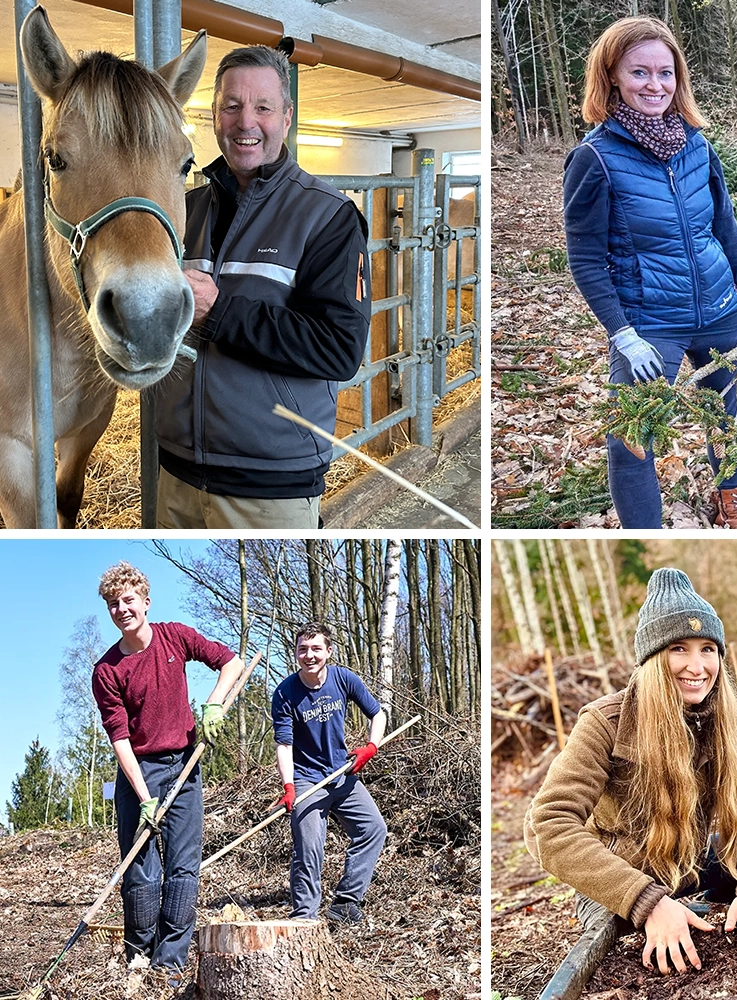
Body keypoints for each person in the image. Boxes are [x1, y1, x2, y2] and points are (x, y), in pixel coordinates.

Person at [526, 568, 737, 973]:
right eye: (679, 648)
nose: (697, 666)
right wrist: (647, 901)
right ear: (652, 658)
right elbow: (548, 823)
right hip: (624, 876)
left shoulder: (727, 718)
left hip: (688, 862)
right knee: (627, 954)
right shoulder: (605, 722)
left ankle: (713, 902)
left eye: (708, 649)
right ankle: (661, 912)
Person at [563, 16, 737, 529]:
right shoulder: (594, 158)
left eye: (665, 73)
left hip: (720, 309)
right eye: (639, 73)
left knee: (725, 415)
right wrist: (623, 335)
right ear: (611, 75)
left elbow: (726, 228)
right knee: (632, 438)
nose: (654, 85)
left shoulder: (697, 145)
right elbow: (585, 258)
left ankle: (732, 505)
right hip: (651, 326)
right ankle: (647, 535)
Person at [159, 45, 370, 528]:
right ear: (213, 116)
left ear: (287, 117)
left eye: (262, 107)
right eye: (231, 106)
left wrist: (220, 313)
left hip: (270, 487)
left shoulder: (328, 217)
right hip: (174, 469)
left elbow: (339, 350)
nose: (245, 121)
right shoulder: (183, 210)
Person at [90, 562, 245, 969]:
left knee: (182, 873)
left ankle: (169, 967)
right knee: (142, 876)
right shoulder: (107, 671)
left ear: (145, 601)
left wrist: (213, 704)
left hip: (184, 766)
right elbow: (120, 739)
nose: (121, 609)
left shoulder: (175, 636)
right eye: (112, 604)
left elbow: (231, 663)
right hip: (139, 773)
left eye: (128, 600)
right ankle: (139, 961)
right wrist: (144, 798)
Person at [270, 622, 388, 925]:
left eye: (316, 649)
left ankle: (345, 903)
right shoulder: (285, 693)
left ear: (328, 651)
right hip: (307, 779)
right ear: (296, 653)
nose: (309, 655)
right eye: (303, 649)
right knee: (309, 847)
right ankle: (304, 918)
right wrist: (288, 786)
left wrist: (371, 747)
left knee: (373, 828)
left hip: (342, 773)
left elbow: (378, 713)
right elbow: (284, 745)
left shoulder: (343, 678)